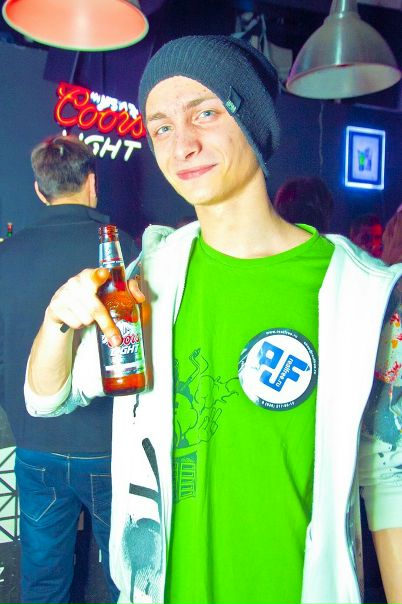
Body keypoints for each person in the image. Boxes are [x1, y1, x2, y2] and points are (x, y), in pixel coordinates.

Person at [24, 37, 402, 604]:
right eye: (161, 127)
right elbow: (48, 397)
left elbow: (390, 480)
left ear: (254, 121)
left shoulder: (363, 292)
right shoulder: (147, 278)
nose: (183, 144)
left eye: (205, 113)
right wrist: (58, 320)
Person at [0, 134, 138, 604]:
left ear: (40, 191)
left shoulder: (5, 255)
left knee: (42, 580)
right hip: (109, 448)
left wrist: (20, 415)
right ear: (92, 183)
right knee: (128, 578)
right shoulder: (123, 249)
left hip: (35, 445)